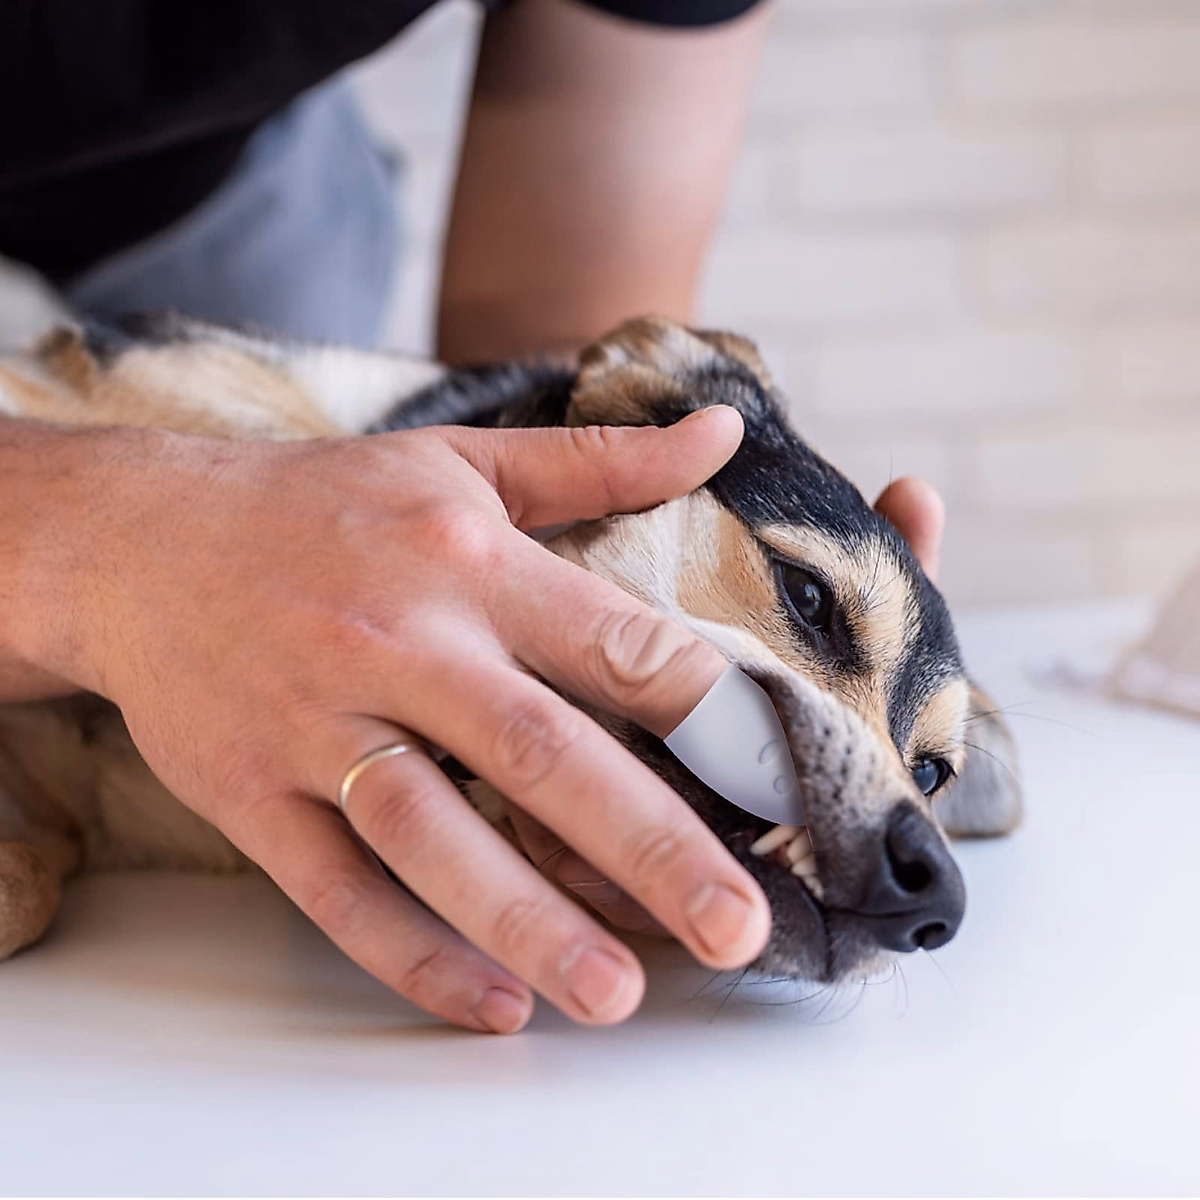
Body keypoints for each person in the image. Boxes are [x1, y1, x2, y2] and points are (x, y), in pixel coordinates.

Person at [0, 0, 944, 1033]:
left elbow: (546, 371)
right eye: (808, 601)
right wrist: (120, 542)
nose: (912, 821)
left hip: (206, 164)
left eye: (933, 772)